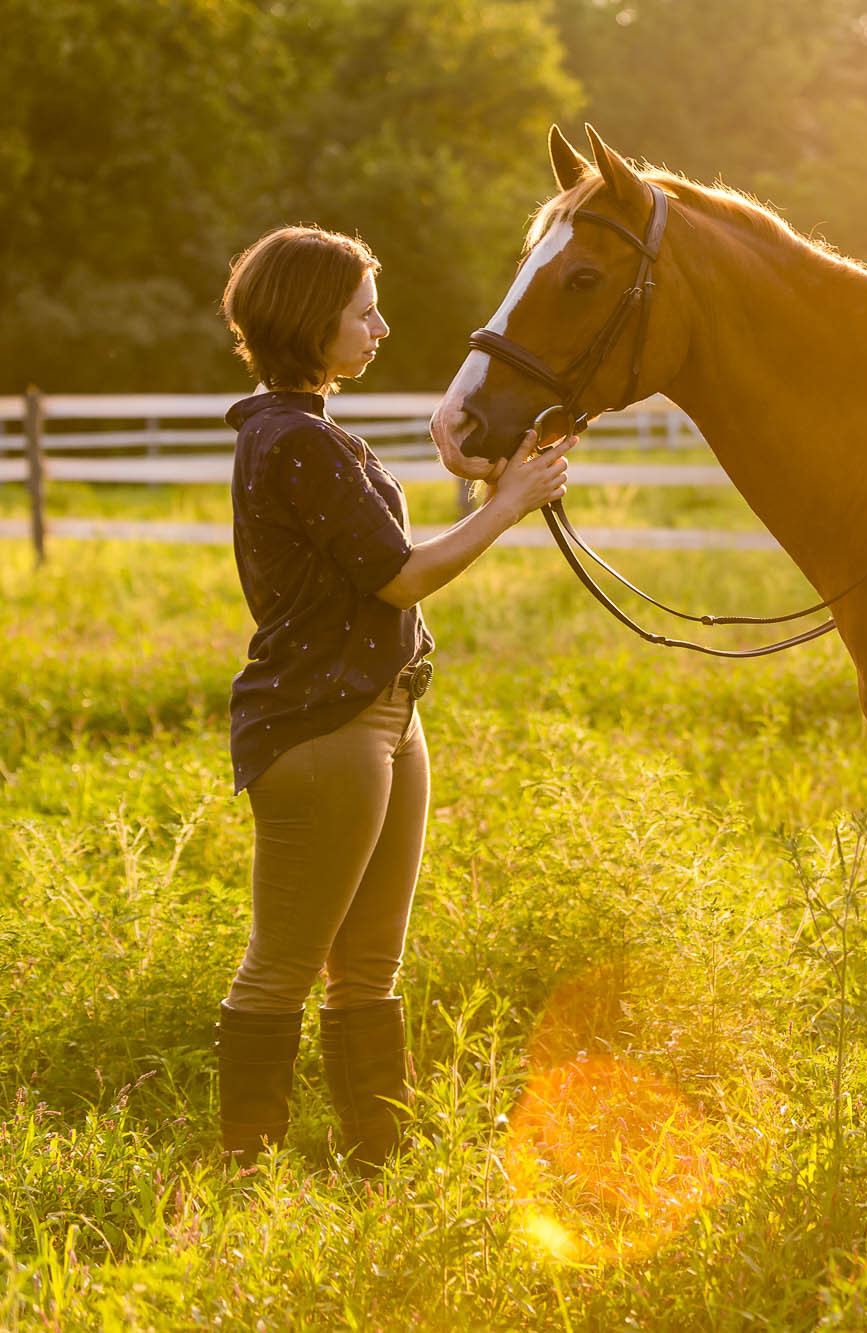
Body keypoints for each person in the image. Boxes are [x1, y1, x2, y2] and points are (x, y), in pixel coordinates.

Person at [215, 225, 572, 1174]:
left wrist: (496, 479)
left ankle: (377, 1166)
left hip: (384, 714)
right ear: (311, 320)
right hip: (326, 730)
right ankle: (246, 1172)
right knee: (283, 968)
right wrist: (509, 505)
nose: (381, 324)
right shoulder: (295, 441)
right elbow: (399, 580)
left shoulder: (307, 433)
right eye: (363, 309)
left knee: (369, 967)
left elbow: (377, 564)